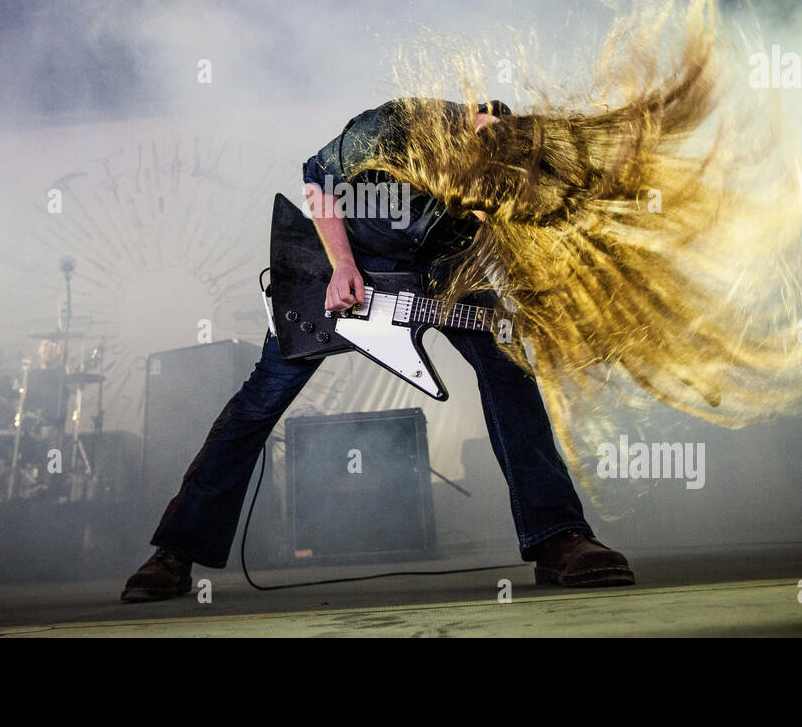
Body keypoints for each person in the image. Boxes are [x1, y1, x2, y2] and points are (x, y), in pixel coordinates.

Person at [121, 96, 636, 602]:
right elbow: (319, 181)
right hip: (344, 263)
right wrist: (343, 266)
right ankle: (174, 551)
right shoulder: (401, 123)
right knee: (258, 402)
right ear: (475, 134)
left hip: (446, 266)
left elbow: (502, 235)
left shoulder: (508, 166)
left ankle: (559, 537)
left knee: (509, 368)